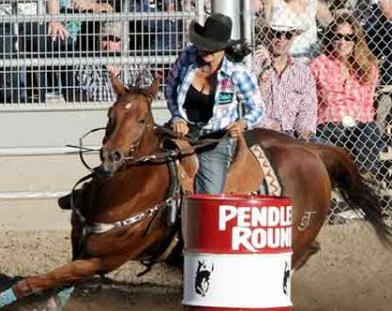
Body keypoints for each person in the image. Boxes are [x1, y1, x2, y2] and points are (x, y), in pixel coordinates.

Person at [165, 14, 265, 194]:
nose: (206, 51)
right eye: (203, 45)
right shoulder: (187, 56)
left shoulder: (237, 73)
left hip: (215, 139)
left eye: (212, 48)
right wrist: (177, 116)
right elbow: (170, 87)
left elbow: (257, 108)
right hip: (181, 133)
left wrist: (242, 123)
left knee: (209, 194)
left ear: (223, 49)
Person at [309, 14, 384, 178]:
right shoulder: (319, 64)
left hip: (359, 127)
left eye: (349, 37)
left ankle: (365, 178)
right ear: (331, 38)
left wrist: (362, 124)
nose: (343, 42)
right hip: (330, 125)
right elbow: (309, 101)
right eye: (338, 37)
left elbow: (368, 104)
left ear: (356, 40)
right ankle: (355, 179)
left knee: (371, 130)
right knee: (346, 132)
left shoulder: (368, 67)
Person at [253, 16, 318, 139]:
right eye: (277, 34)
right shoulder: (253, 66)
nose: (282, 40)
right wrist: (268, 125)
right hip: (262, 133)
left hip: (294, 135)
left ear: (294, 37)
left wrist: (303, 134)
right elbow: (250, 103)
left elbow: (308, 108)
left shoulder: (303, 71)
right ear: (267, 33)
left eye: (288, 35)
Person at [259, 0, 333, 63]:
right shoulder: (274, 0)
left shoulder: (315, 5)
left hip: (310, 60)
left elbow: (334, 29)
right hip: (278, 58)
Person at [65, 21, 152, 102]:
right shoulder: (85, 66)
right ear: (97, 40)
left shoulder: (136, 65)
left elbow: (148, 92)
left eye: (115, 39)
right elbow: (83, 96)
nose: (109, 45)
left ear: (123, 42)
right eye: (105, 39)